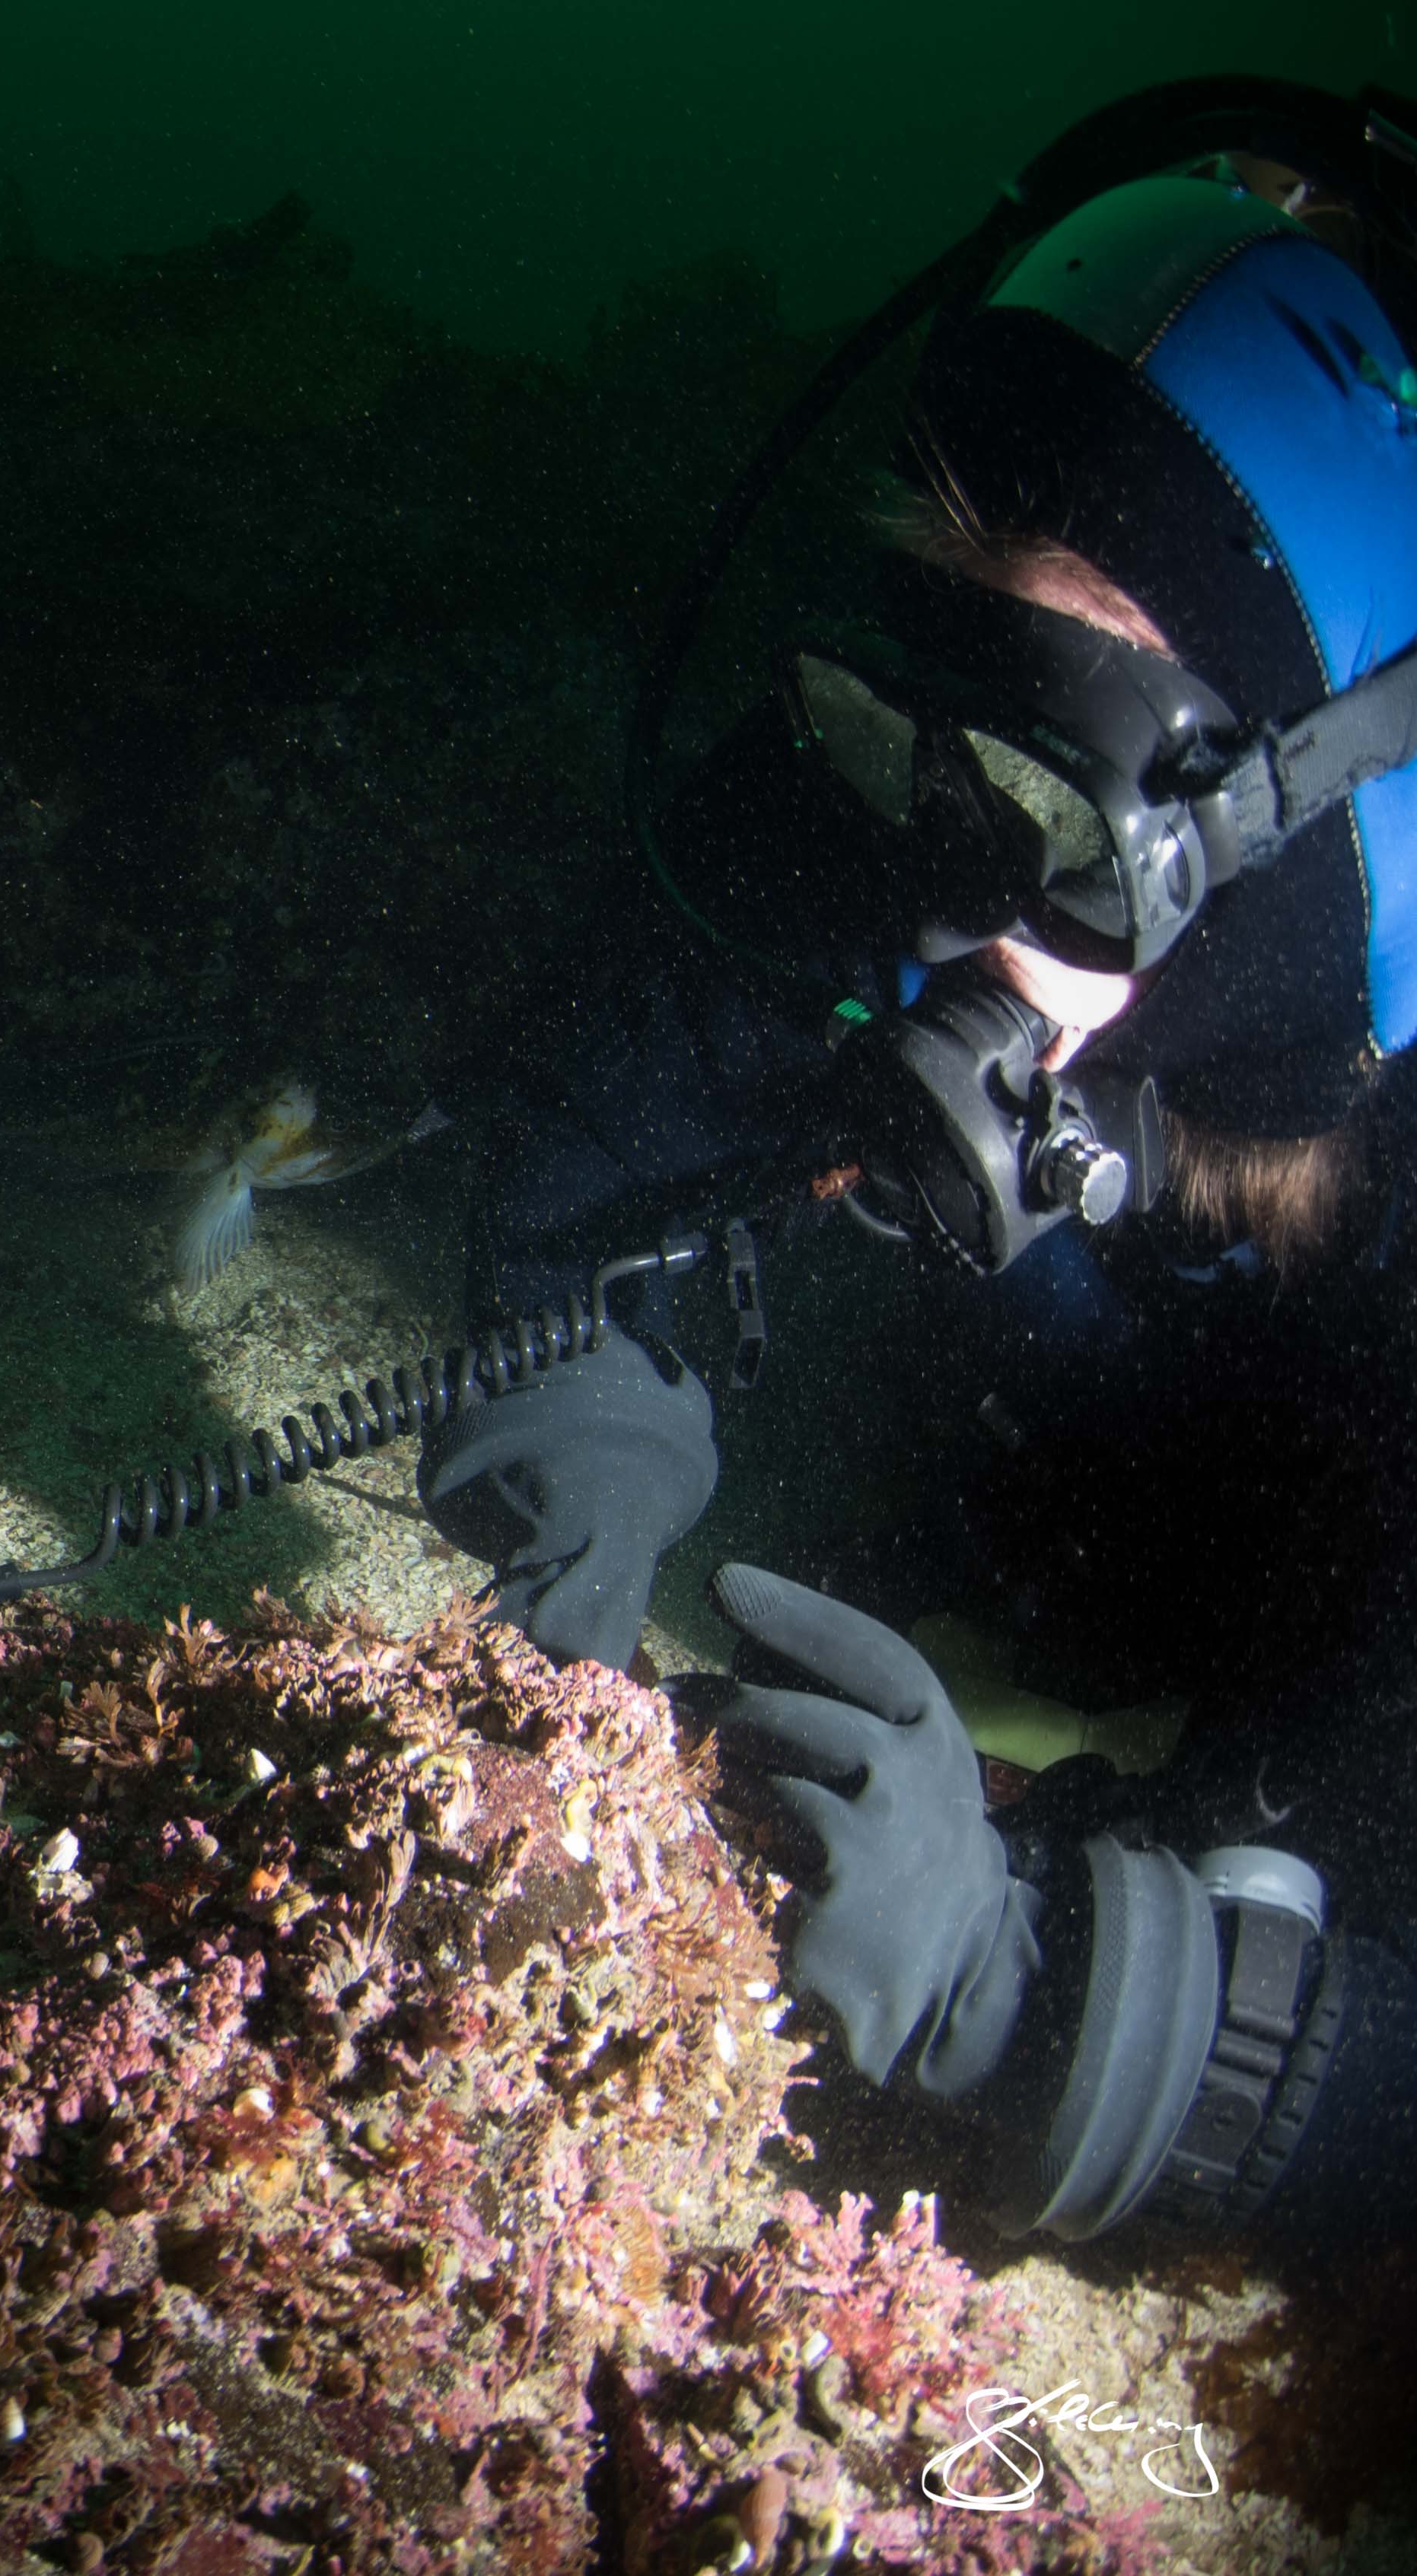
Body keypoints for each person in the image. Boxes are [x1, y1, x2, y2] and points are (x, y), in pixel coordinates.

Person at [419, 81, 1417, 2244]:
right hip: (970, 1509)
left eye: (1056, 832)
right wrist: (574, 1454)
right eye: (908, 755)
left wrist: (1043, 1993)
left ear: (1303, 870)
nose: (939, 901)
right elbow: (602, 1141)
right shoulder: (874, 843)